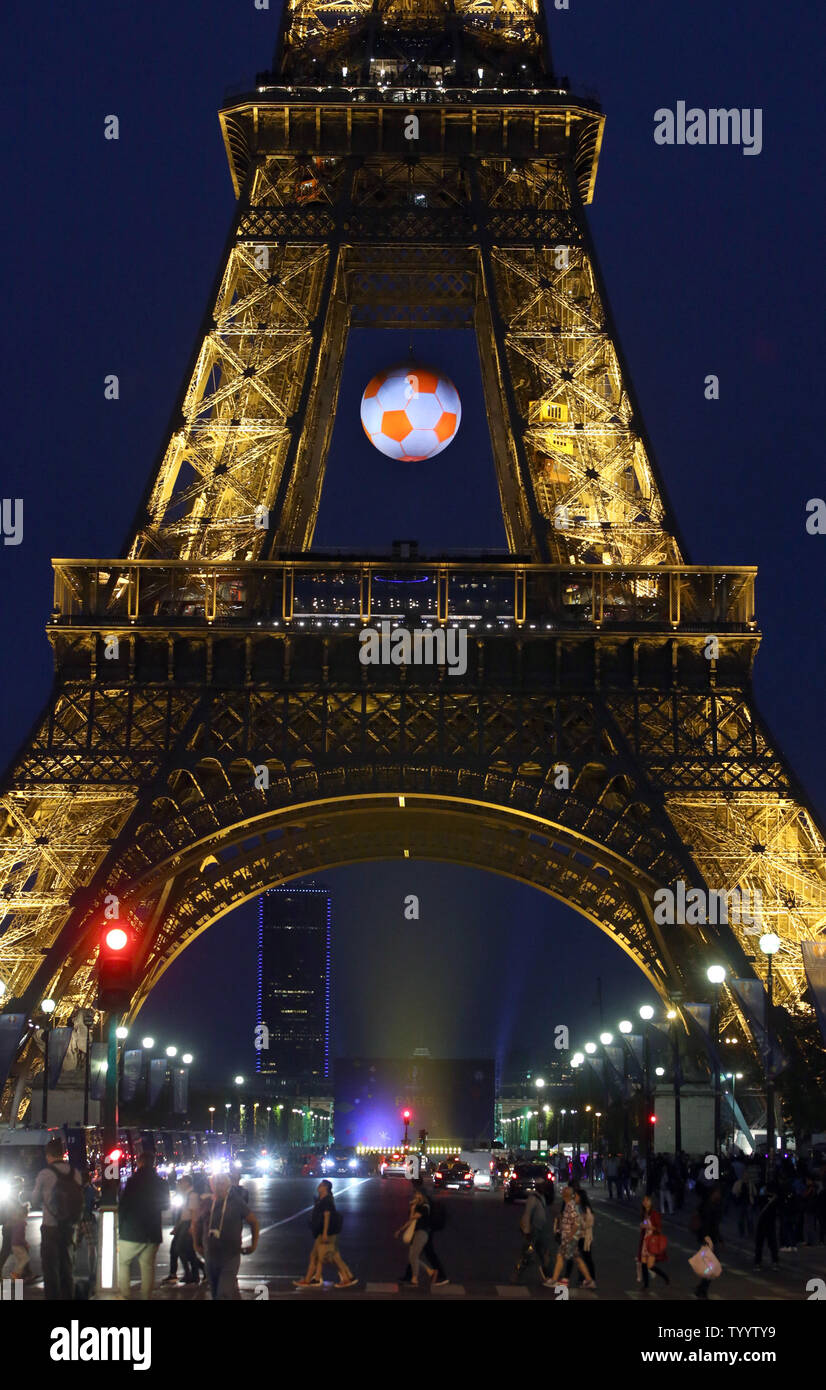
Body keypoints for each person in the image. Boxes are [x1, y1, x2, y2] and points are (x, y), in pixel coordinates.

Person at [32, 1135, 83, 1300]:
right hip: (69, 1227)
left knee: (50, 1269)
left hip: (50, 1227)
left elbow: (35, 1200)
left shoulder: (45, 1174)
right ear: (63, 1153)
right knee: (67, 1267)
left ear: (48, 1155)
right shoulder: (75, 1173)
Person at [195, 1171, 259, 1299]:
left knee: (223, 1293)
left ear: (227, 1185)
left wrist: (253, 1245)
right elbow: (196, 1224)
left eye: (222, 1183)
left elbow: (253, 1222)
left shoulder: (236, 1202)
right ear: (211, 1185)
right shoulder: (206, 1203)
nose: (219, 1186)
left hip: (230, 1255)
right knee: (216, 1292)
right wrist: (196, 1244)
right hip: (210, 1255)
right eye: (216, 1183)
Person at [117, 1152, 169, 1300]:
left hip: (132, 1231)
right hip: (152, 1232)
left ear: (139, 1162)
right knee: (147, 1266)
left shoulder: (132, 1182)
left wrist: (119, 1228)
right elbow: (165, 1205)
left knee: (123, 1262)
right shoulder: (161, 1182)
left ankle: (125, 1295)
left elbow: (124, 1207)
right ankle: (146, 1296)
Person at [296, 1180, 357, 1288]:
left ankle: (345, 1278)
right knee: (322, 1256)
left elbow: (327, 1216)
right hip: (324, 1232)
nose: (318, 1187)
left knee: (329, 1257)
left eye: (320, 1185)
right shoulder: (323, 1199)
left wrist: (324, 1233)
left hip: (327, 1233)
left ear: (325, 1188)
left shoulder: (327, 1200)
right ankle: (314, 1279)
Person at [543, 1185, 593, 1288]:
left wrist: (570, 1235)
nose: (561, 1192)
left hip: (569, 1238)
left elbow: (577, 1222)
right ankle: (589, 1280)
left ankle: (554, 1280)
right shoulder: (569, 1204)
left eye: (563, 1191)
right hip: (570, 1237)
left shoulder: (570, 1205)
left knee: (560, 1257)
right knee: (577, 1258)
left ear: (565, 1194)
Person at [401, 1179, 448, 1285]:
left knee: (422, 1254)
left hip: (424, 1230)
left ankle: (440, 1275)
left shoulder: (422, 1197)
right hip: (425, 1229)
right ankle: (411, 1275)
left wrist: (413, 1207)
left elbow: (415, 1215)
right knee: (416, 1254)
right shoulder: (425, 1194)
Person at [161, 1175, 202, 1285]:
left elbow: (193, 1213)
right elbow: (182, 1214)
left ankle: (192, 1273)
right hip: (183, 1224)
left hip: (188, 1224)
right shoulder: (184, 1195)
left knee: (181, 1248)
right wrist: (177, 1227)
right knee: (185, 1250)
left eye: (182, 1182)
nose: (180, 1184)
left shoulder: (192, 1195)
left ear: (188, 1183)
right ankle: (195, 1273)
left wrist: (192, 1226)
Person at [394, 1185, 436, 1288]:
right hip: (416, 1233)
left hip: (422, 1233)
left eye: (417, 1194)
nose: (415, 1196)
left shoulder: (425, 1206)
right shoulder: (418, 1206)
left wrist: (413, 1207)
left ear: (422, 1195)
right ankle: (430, 1271)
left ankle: (415, 1279)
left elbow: (414, 1217)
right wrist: (400, 1230)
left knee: (413, 1256)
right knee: (412, 1257)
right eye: (415, 1194)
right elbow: (410, 1220)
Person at [512, 1177, 550, 1282]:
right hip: (534, 1231)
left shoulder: (541, 1197)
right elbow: (527, 1215)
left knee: (544, 1253)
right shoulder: (533, 1198)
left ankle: (547, 1274)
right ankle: (517, 1273)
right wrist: (527, 1231)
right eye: (542, 1186)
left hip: (540, 1230)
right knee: (527, 1255)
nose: (544, 1188)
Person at [693, 1185, 721, 1299]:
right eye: (717, 1193)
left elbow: (714, 1226)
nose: (719, 1195)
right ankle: (701, 1289)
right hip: (708, 1240)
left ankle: (701, 1289)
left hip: (710, 1239)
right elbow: (708, 1226)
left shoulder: (712, 1206)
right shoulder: (708, 1207)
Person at [637, 1194, 669, 1290]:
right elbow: (643, 1226)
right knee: (643, 1263)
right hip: (645, 1241)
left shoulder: (654, 1214)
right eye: (644, 1200)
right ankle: (646, 1285)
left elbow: (659, 1228)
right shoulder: (643, 1214)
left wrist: (649, 1227)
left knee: (650, 1265)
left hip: (652, 1241)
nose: (645, 1202)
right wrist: (642, 1226)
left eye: (647, 1200)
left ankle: (665, 1277)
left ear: (651, 1202)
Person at [567, 1188, 596, 1286]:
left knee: (586, 1258)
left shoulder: (586, 1209)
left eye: (576, 1196)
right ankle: (583, 1278)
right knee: (580, 1258)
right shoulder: (577, 1207)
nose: (575, 1197)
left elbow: (589, 1222)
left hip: (585, 1237)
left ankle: (591, 1278)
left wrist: (580, 1223)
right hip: (579, 1236)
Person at [753, 1181, 780, 1271]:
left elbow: (755, 1205)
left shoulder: (762, 1198)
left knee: (759, 1244)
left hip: (761, 1223)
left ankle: (758, 1262)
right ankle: (775, 1262)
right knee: (772, 1244)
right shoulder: (775, 1200)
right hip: (770, 1223)